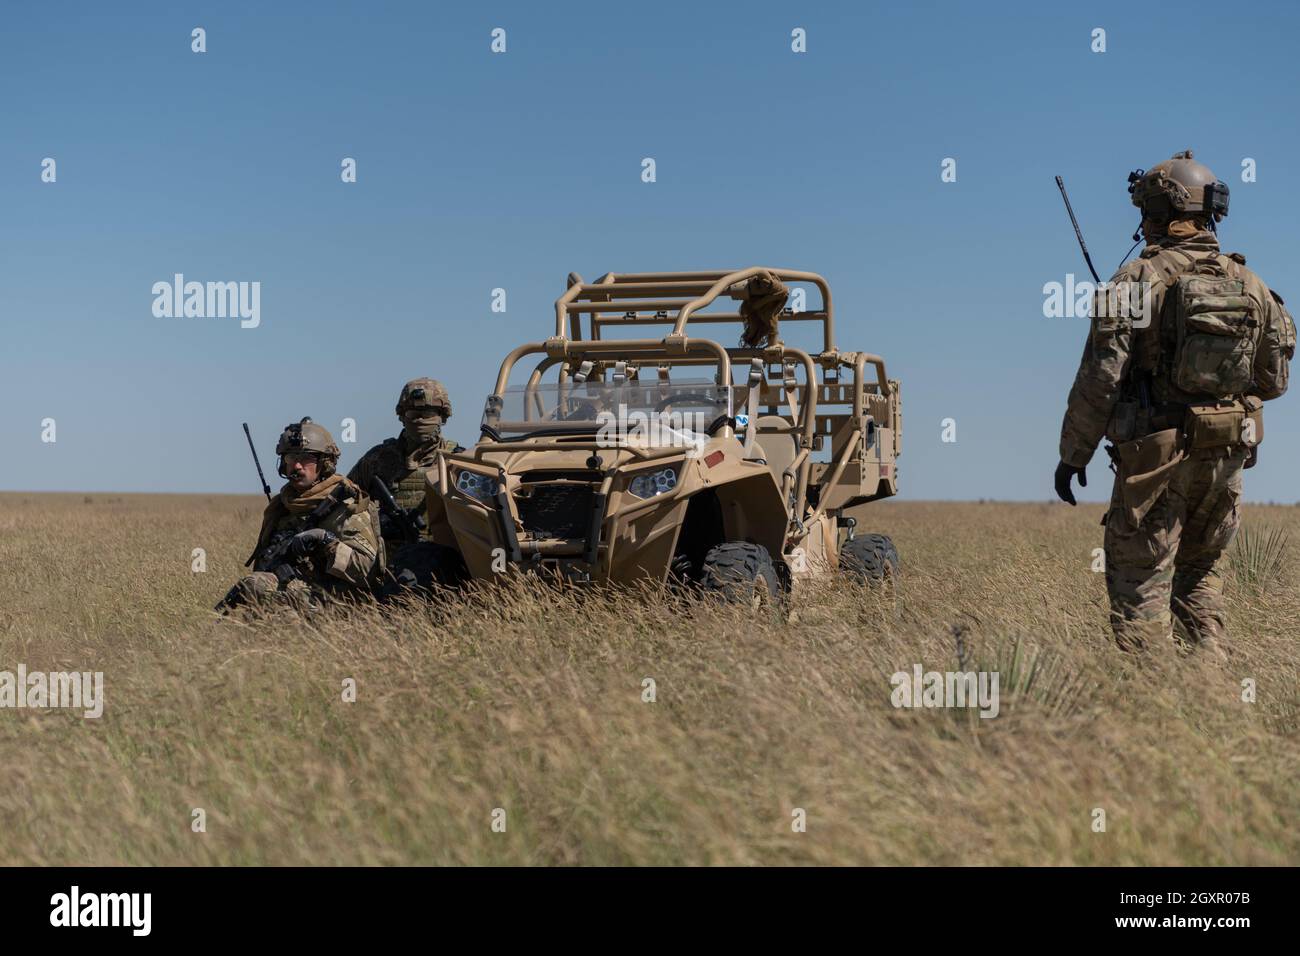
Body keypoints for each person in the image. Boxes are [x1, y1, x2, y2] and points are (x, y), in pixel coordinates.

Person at [1055, 150, 1294, 654]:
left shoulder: (1134, 282)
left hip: (1155, 462)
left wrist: (1073, 455)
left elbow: (1100, 381)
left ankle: (1153, 695)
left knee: (1140, 588)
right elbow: (1274, 383)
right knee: (1201, 580)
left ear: (1159, 211)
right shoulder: (1251, 284)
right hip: (1226, 461)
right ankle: (1212, 688)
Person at [217, 418, 384, 612]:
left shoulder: (346, 506)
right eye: (290, 458)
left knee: (258, 586)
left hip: (341, 602)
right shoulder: (280, 507)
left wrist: (326, 541)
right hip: (298, 594)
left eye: (305, 458)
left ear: (324, 463)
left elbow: (369, 571)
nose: (296, 466)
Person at [348, 378, 459, 553]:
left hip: (442, 559)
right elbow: (345, 502)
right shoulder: (377, 459)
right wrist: (373, 523)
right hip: (387, 559)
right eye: (413, 415)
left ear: (442, 417)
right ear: (402, 416)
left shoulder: (457, 461)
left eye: (428, 415)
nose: (420, 420)